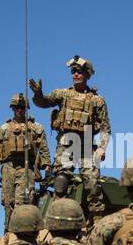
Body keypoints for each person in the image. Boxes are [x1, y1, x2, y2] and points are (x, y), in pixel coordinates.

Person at [29, 55, 110, 216]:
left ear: (87, 74)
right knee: (60, 180)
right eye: (73, 71)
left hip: (87, 144)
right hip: (67, 144)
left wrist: (102, 148)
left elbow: (106, 128)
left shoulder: (97, 100)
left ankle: (97, 220)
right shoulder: (63, 94)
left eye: (79, 72)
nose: (75, 75)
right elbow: (43, 102)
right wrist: (38, 93)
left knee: (92, 183)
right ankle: (57, 217)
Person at [0, 93, 50, 231]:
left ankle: (24, 233)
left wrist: (47, 167)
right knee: (8, 202)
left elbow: (44, 149)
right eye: (17, 107)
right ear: (12, 108)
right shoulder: (3, 129)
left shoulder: (35, 128)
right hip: (8, 168)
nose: (20, 110)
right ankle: (9, 233)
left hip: (26, 168)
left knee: (24, 202)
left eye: (22, 107)